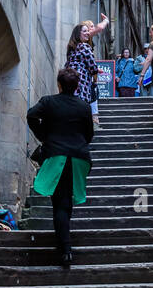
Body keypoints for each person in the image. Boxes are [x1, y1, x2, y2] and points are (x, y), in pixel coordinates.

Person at [27, 67, 94, 268]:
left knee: (60, 203)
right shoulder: (84, 106)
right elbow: (89, 134)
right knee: (66, 201)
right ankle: (64, 243)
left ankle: (65, 250)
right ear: (77, 86)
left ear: (59, 84)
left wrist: (44, 136)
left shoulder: (49, 102)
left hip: (56, 156)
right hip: (79, 157)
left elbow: (31, 115)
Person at [66, 21, 101, 127]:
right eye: (85, 31)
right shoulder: (85, 47)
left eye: (88, 31)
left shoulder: (71, 49)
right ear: (78, 34)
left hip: (69, 85)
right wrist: (95, 76)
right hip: (82, 86)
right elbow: (93, 68)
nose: (88, 33)